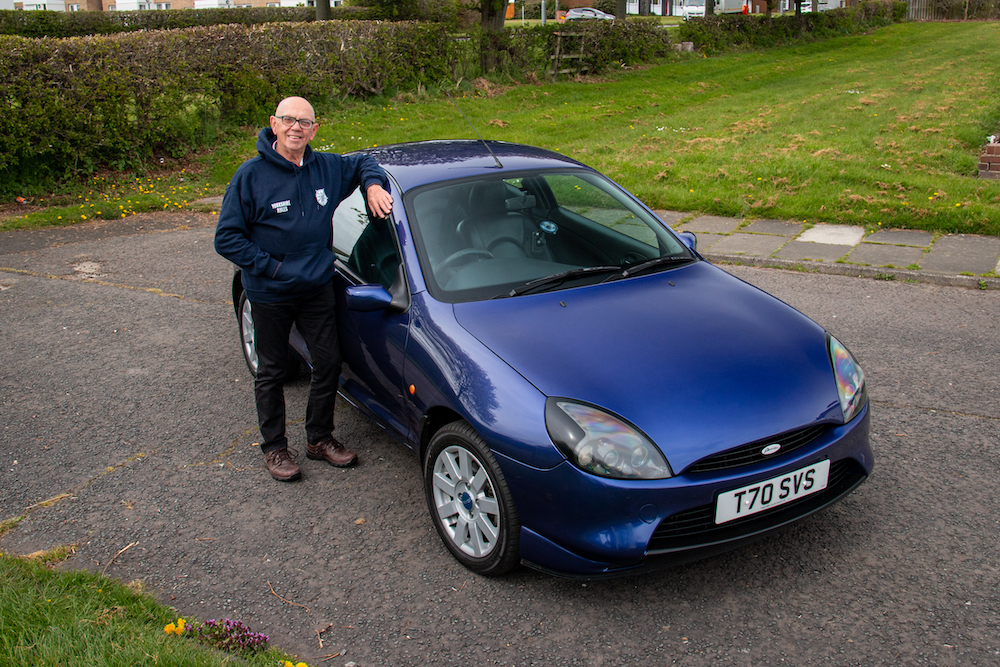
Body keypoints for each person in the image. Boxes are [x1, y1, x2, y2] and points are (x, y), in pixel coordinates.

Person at [214, 96, 393, 482]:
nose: (296, 127)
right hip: (269, 292)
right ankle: (275, 448)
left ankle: (319, 439)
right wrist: (272, 268)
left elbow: (363, 161)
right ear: (274, 125)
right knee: (273, 371)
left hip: (316, 289)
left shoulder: (326, 167)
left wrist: (374, 186)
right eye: (289, 120)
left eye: (305, 122)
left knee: (328, 362)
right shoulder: (250, 176)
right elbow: (226, 238)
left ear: (315, 130)